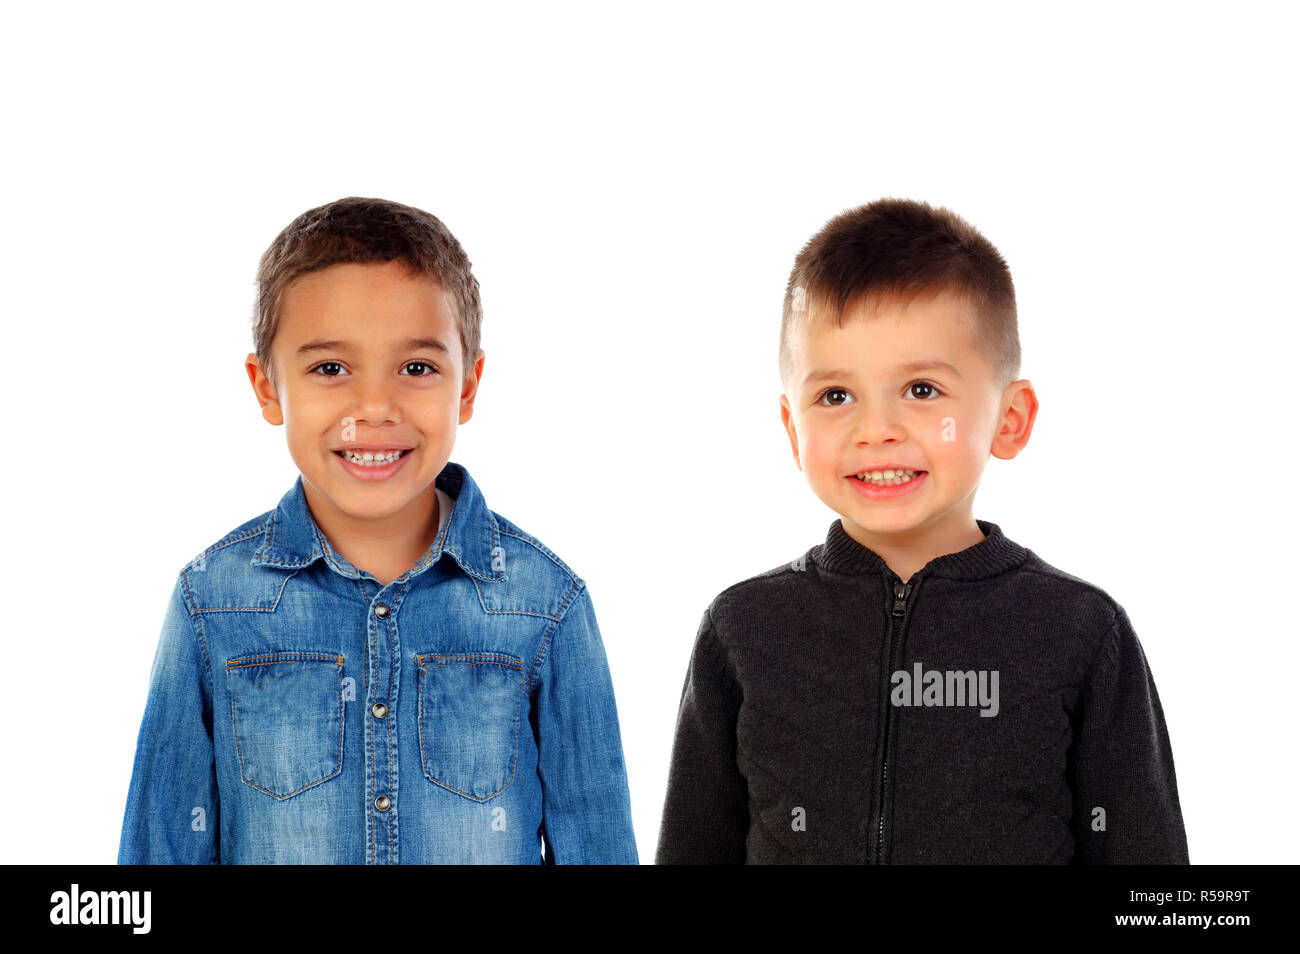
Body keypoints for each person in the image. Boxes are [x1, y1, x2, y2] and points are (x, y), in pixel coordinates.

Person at [655, 198, 1188, 863]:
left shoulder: (1081, 629)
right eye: (836, 396)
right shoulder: (743, 627)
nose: (875, 430)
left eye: (923, 390)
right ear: (793, 430)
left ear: (1009, 418)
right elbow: (693, 847)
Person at [118, 197, 637, 864]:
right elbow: (158, 850)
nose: (374, 408)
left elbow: (597, 840)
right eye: (330, 368)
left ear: (469, 386)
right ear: (267, 387)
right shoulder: (212, 602)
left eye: (416, 368)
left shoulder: (546, 605)